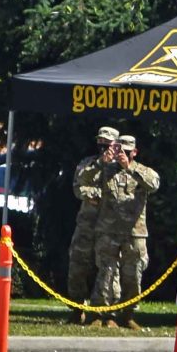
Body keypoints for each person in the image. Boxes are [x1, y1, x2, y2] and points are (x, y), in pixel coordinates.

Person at [93, 134, 160, 326]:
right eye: (119, 150)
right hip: (108, 230)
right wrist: (101, 162)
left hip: (134, 232)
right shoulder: (105, 169)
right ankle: (104, 314)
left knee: (133, 274)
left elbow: (154, 184)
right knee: (107, 273)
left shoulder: (142, 171)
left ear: (134, 152)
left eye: (127, 152)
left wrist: (128, 167)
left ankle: (128, 314)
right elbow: (83, 179)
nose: (122, 154)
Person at [66, 127, 119, 319]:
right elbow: (79, 187)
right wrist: (99, 167)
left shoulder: (122, 166)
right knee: (78, 265)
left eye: (108, 143)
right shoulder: (89, 164)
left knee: (108, 270)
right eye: (101, 142)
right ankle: (77, 307)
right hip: (87, 224)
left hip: (110, 227)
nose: (103, 147)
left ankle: (104, 312)